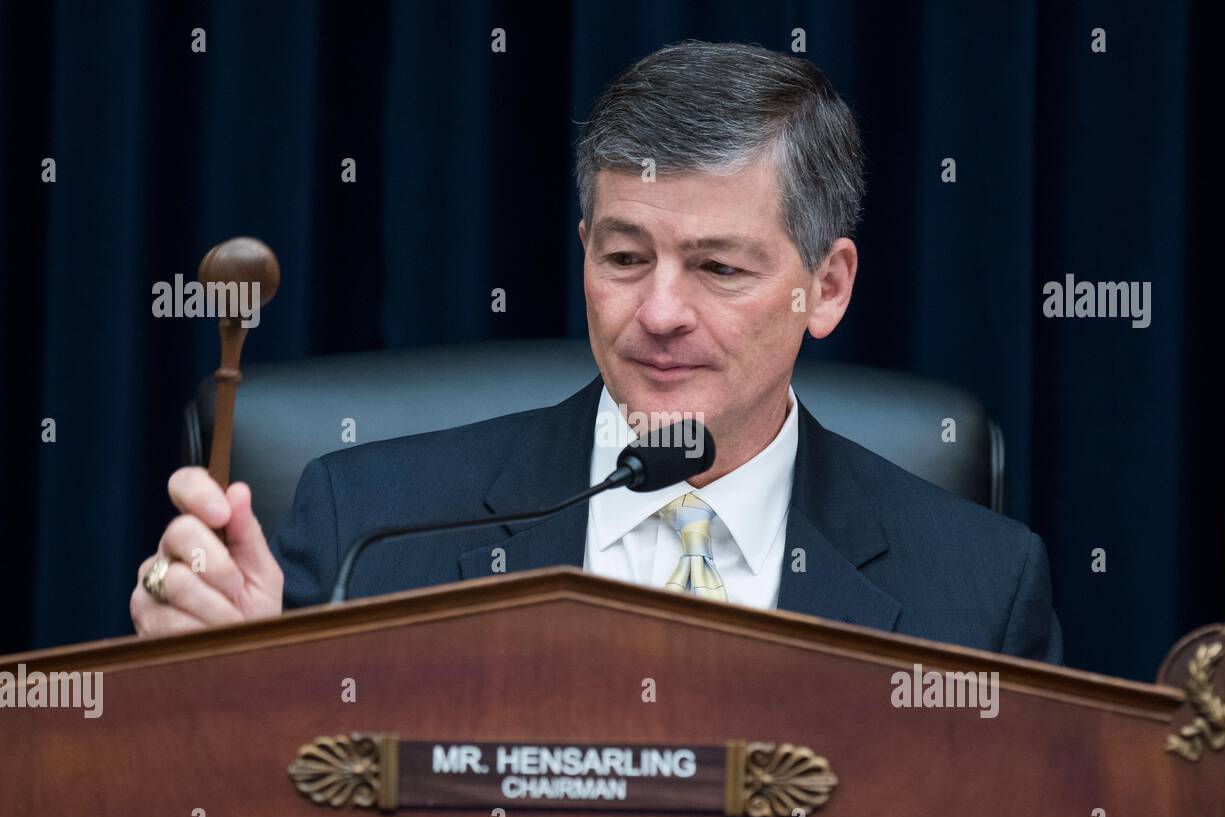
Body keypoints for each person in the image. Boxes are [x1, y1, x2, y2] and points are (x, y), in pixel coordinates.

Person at [130, 41, 1063, 663]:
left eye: (718, 268)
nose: (658, 312)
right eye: (624, 257)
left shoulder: (980, 592)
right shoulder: (367, 532)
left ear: (827, 287)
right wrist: (230, 678)